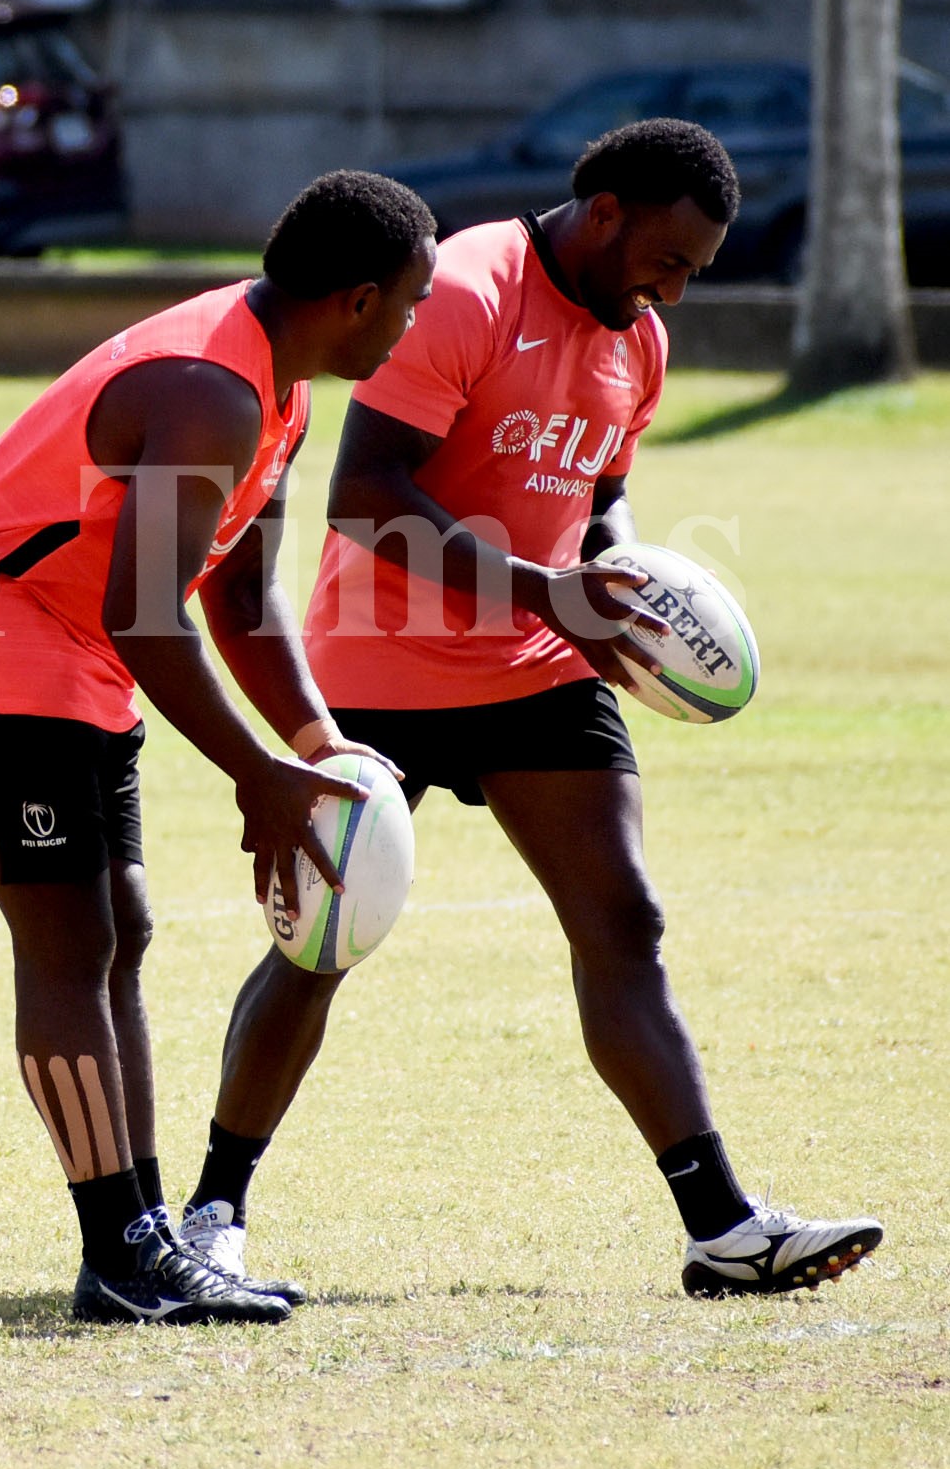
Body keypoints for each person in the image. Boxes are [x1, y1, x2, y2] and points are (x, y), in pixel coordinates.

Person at [174, 120, 885, 1301]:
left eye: (696, 271)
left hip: (540, 666)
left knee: (626, 923)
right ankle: (212, 1212)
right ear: (602, 211)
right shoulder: (463, 288)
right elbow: (365, 498)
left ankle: (722, 1227)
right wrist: (552, 589)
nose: (674, 288)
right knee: (320, 941)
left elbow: (601, 505)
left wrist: (625, 599)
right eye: (668, 256)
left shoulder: (637, 342)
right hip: (379, 671)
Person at [0, 171, 438, 1324]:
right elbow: (147, 608)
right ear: (359, 299)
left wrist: (315, 742)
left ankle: (144, 1237)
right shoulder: (212, 391)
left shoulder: (279, 389)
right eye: (414, 304)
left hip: (70, 644)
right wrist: (256, 776)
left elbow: (237, 595)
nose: (418, 325)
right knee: (69, 936)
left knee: (123, 926)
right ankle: (119, 1256)